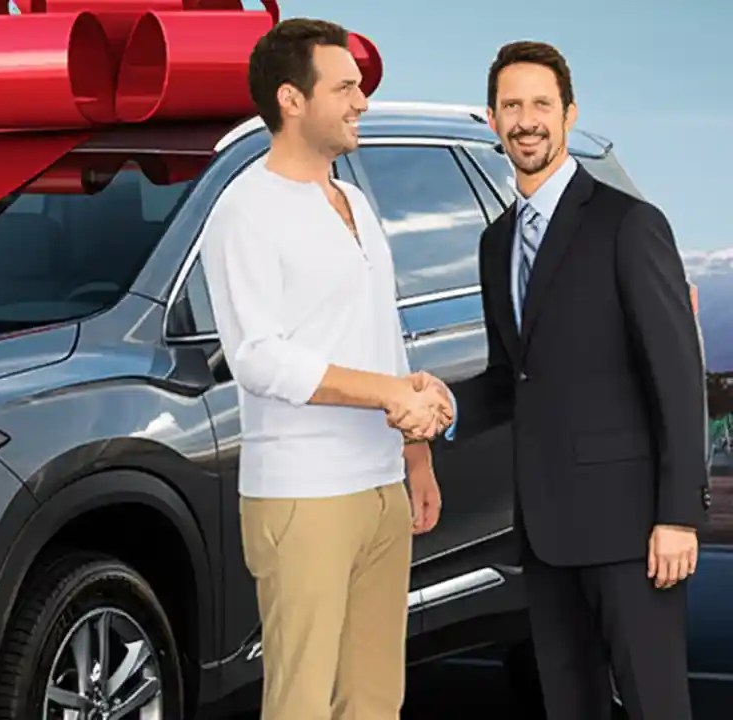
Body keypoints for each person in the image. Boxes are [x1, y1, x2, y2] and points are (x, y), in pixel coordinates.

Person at [436, 40, 711, 720]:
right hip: (544, 530)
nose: (526, 120)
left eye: (540, 104)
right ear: (492, 120)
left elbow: (677, 376)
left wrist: (678, 515)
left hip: (632, 530)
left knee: (656, 707)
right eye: (511, 106)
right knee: (570, 707)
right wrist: (442, 405)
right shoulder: (496, 242)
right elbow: (514, 376)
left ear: (568, 113)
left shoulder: (629, 225)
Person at [199, 18, 456, 720]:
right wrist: (388, 395)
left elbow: (381, 337)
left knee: (376, 700)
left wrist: (415, 450)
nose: (361, 101)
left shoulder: (357, 204)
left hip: (380, 490)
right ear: (291, 99)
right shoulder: (245, 211)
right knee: (303, 703)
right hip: (303, 498)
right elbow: (257, 355)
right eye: (345, 87)